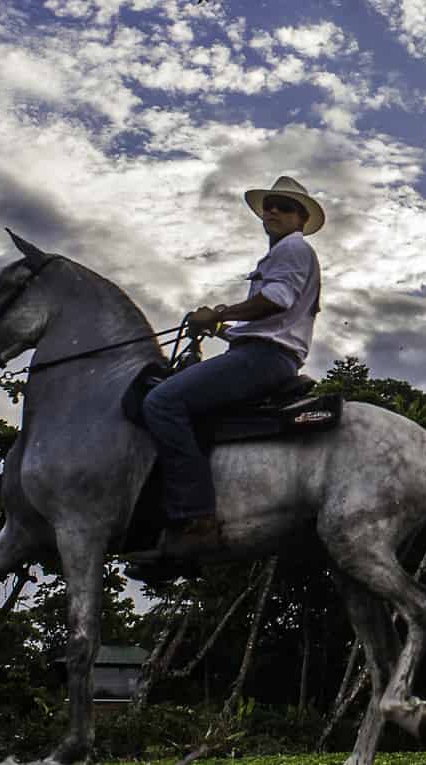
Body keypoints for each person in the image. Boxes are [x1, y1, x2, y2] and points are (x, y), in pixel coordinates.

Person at [132, 175, 325, 561]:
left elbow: (277, 299)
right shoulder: (282, 253)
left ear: (301, 218)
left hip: (264, 359)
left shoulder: (292, 248)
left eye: (283, 207)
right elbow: (267, 319)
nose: (272, 211)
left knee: (161, 403)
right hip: (259, 352)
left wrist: (219, 313)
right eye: (269, 205)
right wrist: (221, 328)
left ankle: (197, 519)